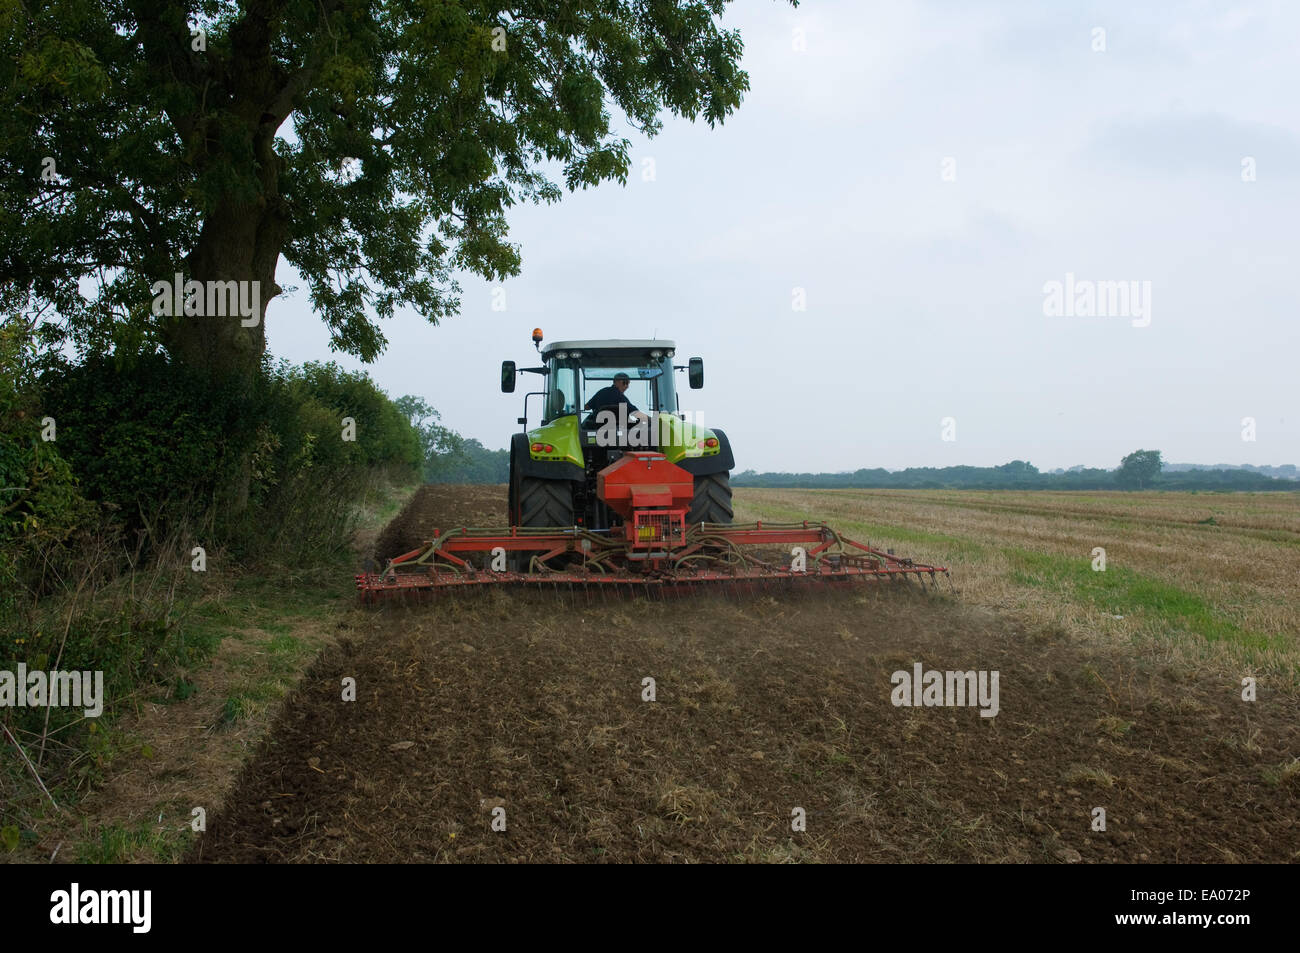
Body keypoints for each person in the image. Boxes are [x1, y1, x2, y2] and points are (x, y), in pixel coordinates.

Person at [584, 372, 650, 427]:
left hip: (599, 428)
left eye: (628, 383)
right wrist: (650, 419)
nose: (627, 386)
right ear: (616, 382)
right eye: (625, 383)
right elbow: (635, 413)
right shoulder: (621, 397)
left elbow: (586, 407)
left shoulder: (602, 392)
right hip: (621, 430)